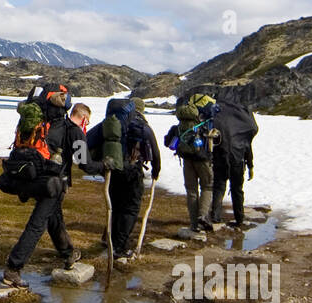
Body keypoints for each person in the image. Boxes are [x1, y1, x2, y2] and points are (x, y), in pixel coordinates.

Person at [1, 99, 90, 288]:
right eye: (87, 121)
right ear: (83, 118)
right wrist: (106, 165)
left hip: (31, 176)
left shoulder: (45, 125)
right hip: (51, 184)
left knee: (54, 218)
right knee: (37, 225)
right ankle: (13, 269)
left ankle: (68, 254)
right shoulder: (73, 131)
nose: (87, 125)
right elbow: (85, 164)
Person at [105, 99, 161, 262]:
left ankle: (108, 240)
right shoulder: (144, 127)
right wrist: (156, 171)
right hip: (133, 171)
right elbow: (155, 152)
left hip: (114, 169)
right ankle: (119, 247)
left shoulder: (113, 122)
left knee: (115, 205)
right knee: (130, 209)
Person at [164, 94, 219, 241]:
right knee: (207, 187)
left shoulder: (178, 127)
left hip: (187, 161)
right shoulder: (205, 125)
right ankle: (202, 215)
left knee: (191, 191)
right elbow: (218, 140)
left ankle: (194, 224)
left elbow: (167, 142)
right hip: (203, 160)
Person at [210, 101, 257, 228]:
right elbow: (248, 148)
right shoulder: (243, 130)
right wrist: (250, 166)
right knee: (237, 190)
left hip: (221, 158)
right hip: (237, 160)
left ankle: (215, 217)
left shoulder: (220, 122)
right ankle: (239, 218)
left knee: (219, 187)